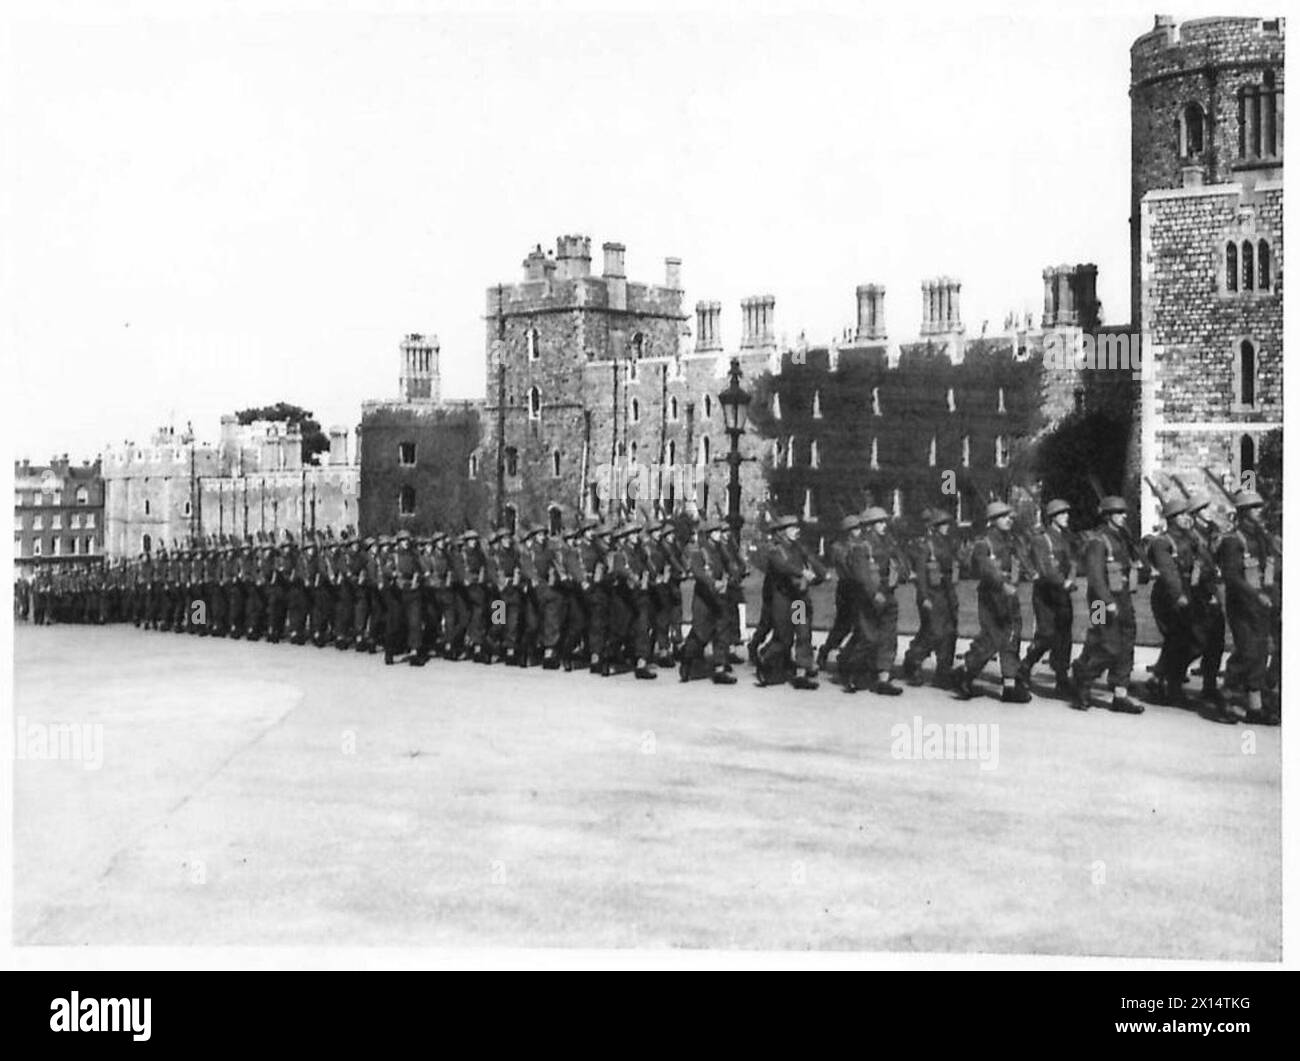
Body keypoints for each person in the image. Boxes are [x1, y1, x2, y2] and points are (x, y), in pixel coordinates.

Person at [1069, 496, 1144, 714]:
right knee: (1107, 644)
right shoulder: (1098, 542)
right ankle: (1083, 679)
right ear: (1108, 516)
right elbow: (1095, 576)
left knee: (1125, 643)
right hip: (1099, 602)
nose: (1124, 517)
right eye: (1119, 513)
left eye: (1123, 513)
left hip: (1122, 598)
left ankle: (1120, 693)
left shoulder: (1121, 539)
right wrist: (1108, 602)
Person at [953, 501, 1032, 703]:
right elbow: (986, 568)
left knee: (1012, 637)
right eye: (1004, 517)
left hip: (1009, 593)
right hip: (992, 595)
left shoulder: (1010, 541)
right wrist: (1002, 584)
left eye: (1010, 517)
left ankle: (1009, 685)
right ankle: (965, 674)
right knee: (991, 639)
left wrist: (1029, 574)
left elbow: (1020, 562)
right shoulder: (984, 543)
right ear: (993, 520)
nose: (1009, 520)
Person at [1216, 490, 1279, 725]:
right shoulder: (1233, 540)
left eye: (1259, 507)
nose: (1260, 511)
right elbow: (1232, 577)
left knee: (1261, 653)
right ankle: (1227, 699)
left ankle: (1255, 707)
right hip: (1242, 605)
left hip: (1263, 605)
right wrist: (1257, 595)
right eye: (1254, 508)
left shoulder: (1262, 537)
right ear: (1244, 513)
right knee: (1247, 652)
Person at [756, 515, 824, 690]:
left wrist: (822, 573)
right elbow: (782, 566)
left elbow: (812, 560)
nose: (797, 530)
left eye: (796, 527)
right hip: (783, 598)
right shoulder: (775, 549)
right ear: (782, 531)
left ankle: (801, 673)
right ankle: (765, 658)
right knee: (783, 638)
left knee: (802, 634)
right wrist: (802, 572)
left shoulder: (798, 547)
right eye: (792, 528)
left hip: (797, 598)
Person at [1017, 499, 1076, 697]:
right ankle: (1024, 668)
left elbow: (1073, 562)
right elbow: (1045, 568)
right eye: (1062, 514)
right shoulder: (1042, 539)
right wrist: (1063, 581)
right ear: (1052, 518)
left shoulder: (1064, 537)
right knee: (1047, 634)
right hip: (1046, 593)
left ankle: (1061, 677)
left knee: (1064, 636)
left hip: (1063, 592)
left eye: (1067, 513)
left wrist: (1071, 578)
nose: (1066, 516)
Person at [901, 507, 960, 689]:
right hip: (931, 593)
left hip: (947, 592)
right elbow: (920, 573)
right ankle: (913, 662)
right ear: (934, 527)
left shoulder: (948, 543)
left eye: (947, 524)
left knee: (950, 631)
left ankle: (943, 671)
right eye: (942, 525)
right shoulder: (926, 545)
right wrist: (924, 596)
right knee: (933, 632)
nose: (946, 527)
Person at [679, 517, 737, 683]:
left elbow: (730, 566)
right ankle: (687, 659)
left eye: (720, 531)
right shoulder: (699, 551)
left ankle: (720, 668)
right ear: (709, 534)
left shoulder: (721, 550)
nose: (720, 534)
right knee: (700, 633)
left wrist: (732, 576)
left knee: (722, 631)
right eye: (717, 532)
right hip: (704, 598)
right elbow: (698, 572)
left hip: (718, 598)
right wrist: (713, 583)